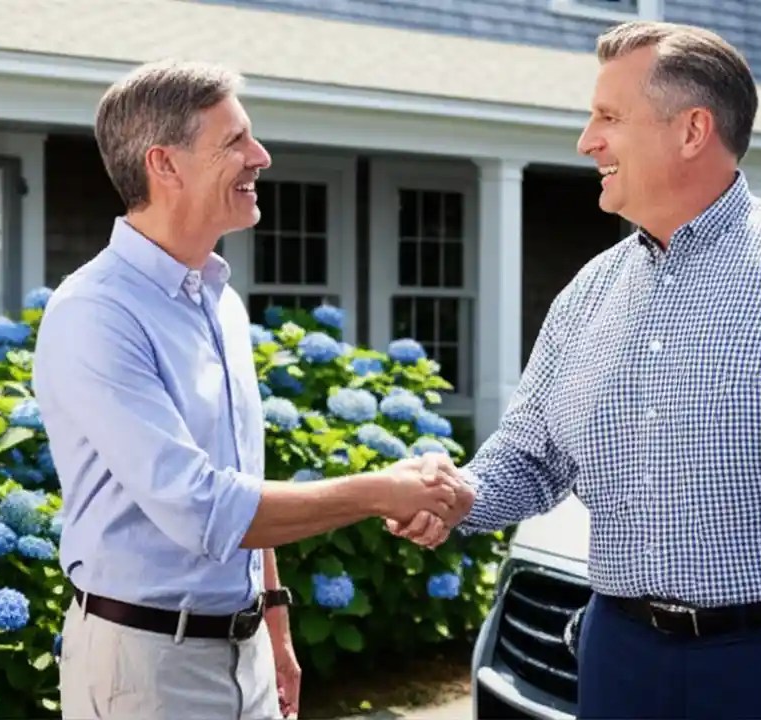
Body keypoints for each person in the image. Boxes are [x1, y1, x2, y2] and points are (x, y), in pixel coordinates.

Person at [391, 20, 761, 720]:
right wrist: (456, 494)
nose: (586, 141)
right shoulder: (587, 293)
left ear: (692, 131)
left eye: (609, 117)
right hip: (618, 659)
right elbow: (529, 456)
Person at [33, 59, 469, 720]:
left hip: (245, 654)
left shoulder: (219, 302)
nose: (260, 157)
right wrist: (382, 491)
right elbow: (202, 508)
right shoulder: (97, 313)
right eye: (234, 141)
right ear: (165, 164)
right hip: (146, 670)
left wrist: (273, 620)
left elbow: (240, 475)